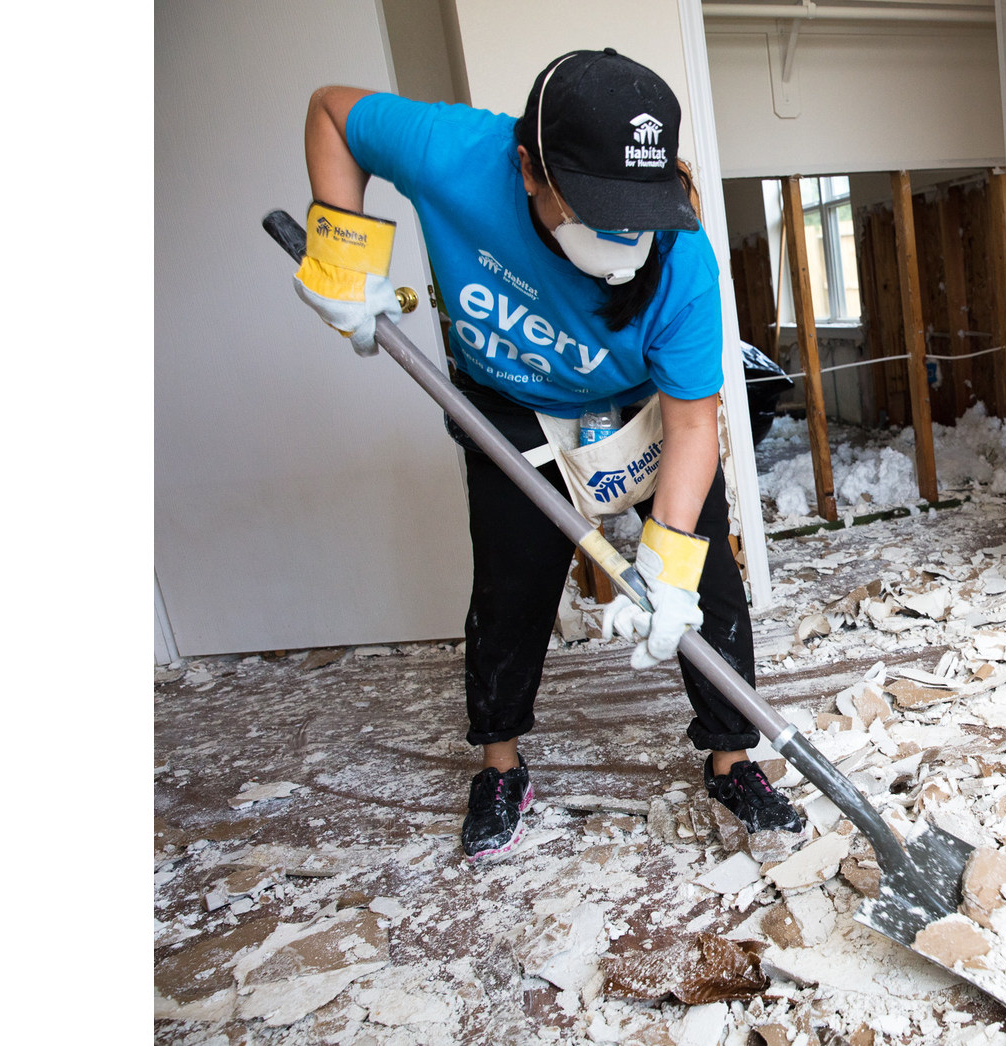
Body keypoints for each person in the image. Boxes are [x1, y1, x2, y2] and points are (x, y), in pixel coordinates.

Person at [294, 48, 805, 859]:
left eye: (638, 208)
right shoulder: (454, 154)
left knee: (707, 580)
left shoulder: (685, 262)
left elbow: (693, 426)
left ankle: (731, 756)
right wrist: (341, 252)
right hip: (511, 399)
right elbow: (331, 109)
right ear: (529, 168)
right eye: (595, 205)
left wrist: (666, 567)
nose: (624, 233)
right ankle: (501, 765)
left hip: (637, 406)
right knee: (511, 583)